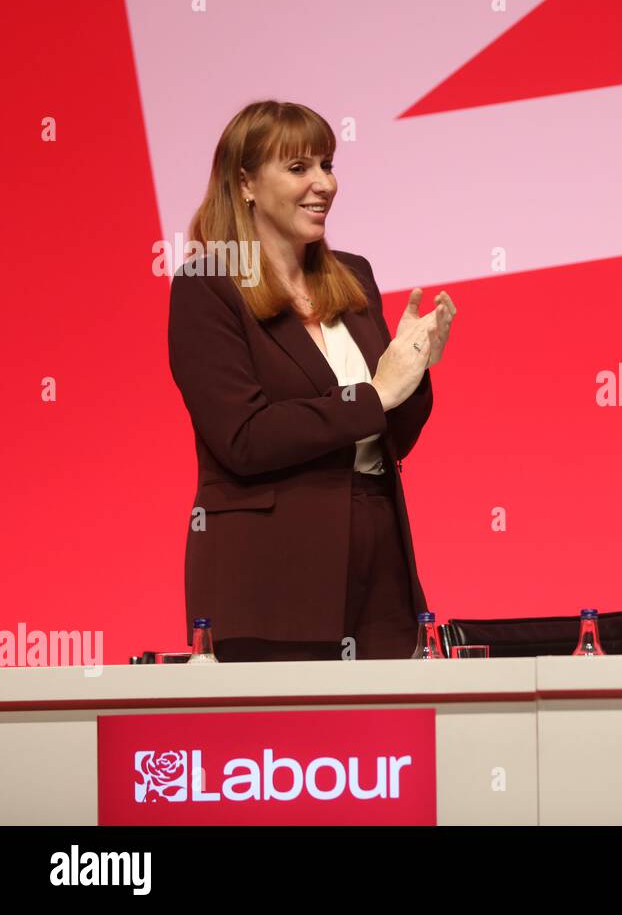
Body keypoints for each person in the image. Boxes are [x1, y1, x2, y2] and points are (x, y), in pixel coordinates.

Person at [167, 101, 455, 662]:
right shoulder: (207, 285)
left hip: (381, 563)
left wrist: (416, 375)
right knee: (282, 746)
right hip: (269, 576)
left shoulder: (354, 275)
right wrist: (375, 394)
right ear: (244, 181)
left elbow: (387, 437)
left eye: (327, 164)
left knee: (385, 743)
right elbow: (244, 439)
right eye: (299, 168)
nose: (324, 184)